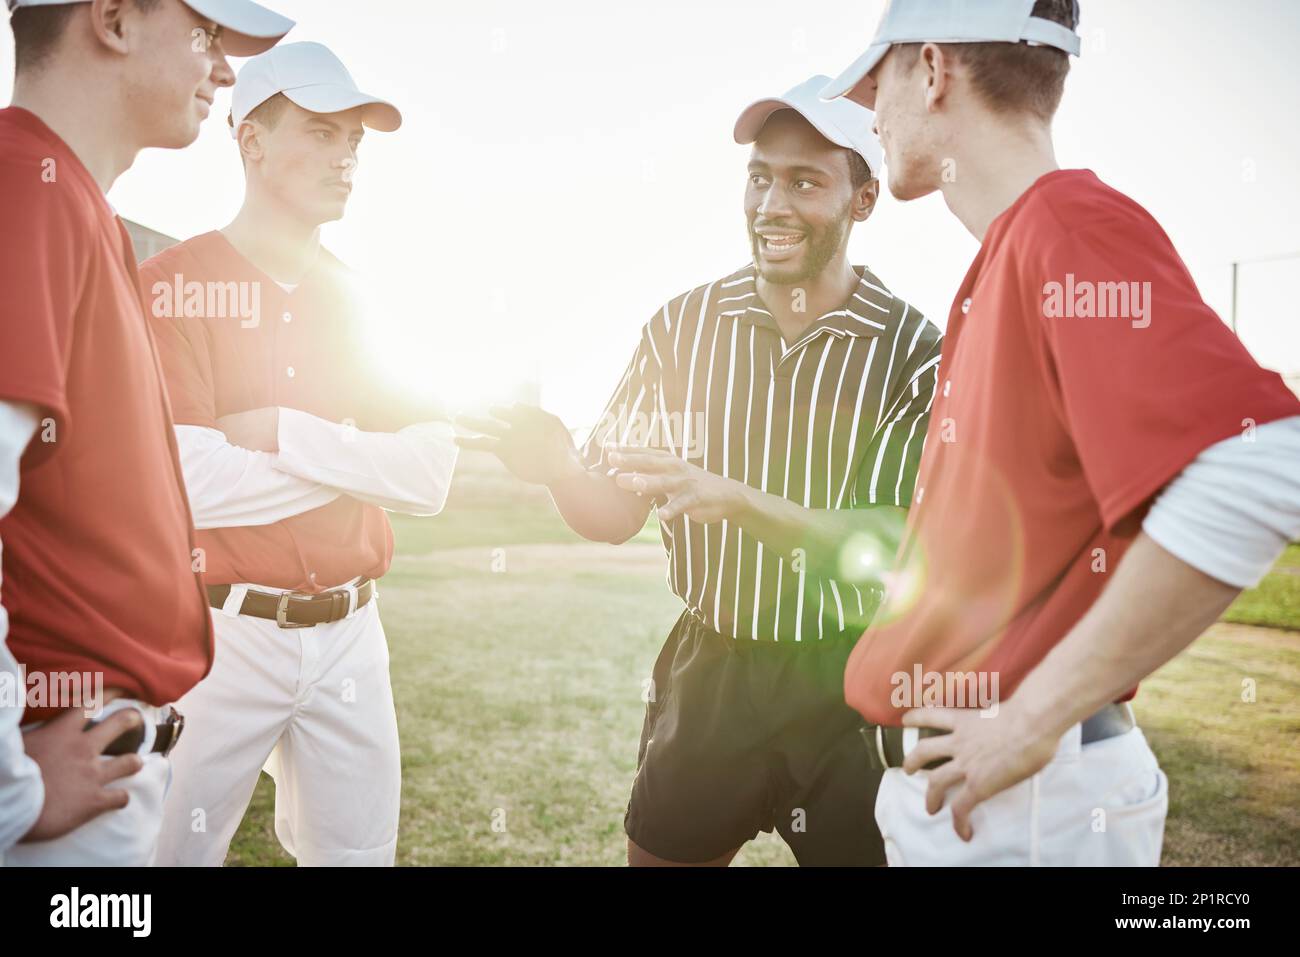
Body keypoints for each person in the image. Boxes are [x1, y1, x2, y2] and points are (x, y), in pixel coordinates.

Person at [822, 0, 1300, 865]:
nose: (869, 112)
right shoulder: (1018, 246)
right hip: (986, 802)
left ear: (932, 69)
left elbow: (1268, 461)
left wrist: (1031, 718)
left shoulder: (1067, 226)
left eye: (877, 78)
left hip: (1022, 807)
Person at [458, 76, 941, 866]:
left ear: (863, 201)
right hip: (711, 670)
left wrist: (739, 501)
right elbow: (612, 514)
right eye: (760, 177)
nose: (771, 203)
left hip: (847, 681)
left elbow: (888, 544)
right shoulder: (681, 327)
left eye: (805, 181)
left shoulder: (912, 352)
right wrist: (554, 467)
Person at [139, 41, 459, 867]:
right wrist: (356, 463)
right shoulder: (172, 282)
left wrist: (284, 428)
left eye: (353, 139)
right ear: (250, 141)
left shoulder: (365, 300)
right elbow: (190, 484)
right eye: (322, 132)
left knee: (358, 859)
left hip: (354, 632)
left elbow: (429, 474)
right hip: (218, 632)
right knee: (167, 857)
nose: (346, 156)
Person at [0, 0, 293, 865]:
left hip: (93, 753)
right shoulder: (28, 189)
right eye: (206, 34)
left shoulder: (66, 199)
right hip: (61, 765)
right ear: (116, 19)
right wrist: (9, 790)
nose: (226, 69)